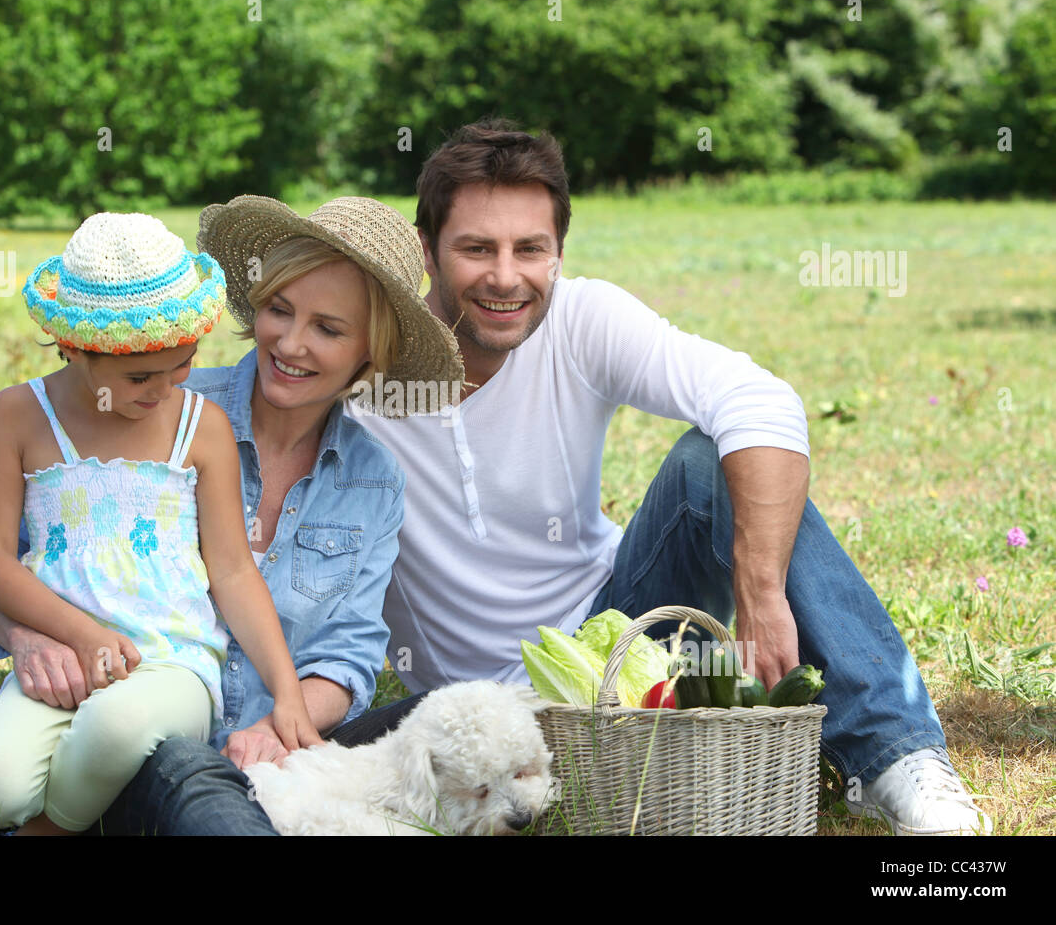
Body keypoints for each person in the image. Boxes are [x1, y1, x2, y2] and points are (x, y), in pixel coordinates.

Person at [349, 118, 992, 836]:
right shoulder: (358, 373)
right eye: (476, 248)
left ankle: (896, 757)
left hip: (625, 628)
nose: (506, 276)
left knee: (703, 463)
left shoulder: (579, 317)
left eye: (530, 248)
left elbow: (757, 398)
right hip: (480, 714)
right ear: (427, 250)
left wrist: (761, 592)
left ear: (558, 254)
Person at [0, 197, 464, 836]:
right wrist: (33, 635)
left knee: (450, 712)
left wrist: (279, 722)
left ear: (369, 355)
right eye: (279, 309)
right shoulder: (154, 398)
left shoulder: (370, 479)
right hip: (149, 744)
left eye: (328, 329)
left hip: (242, 729)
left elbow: (347, 649)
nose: (290, 343)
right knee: (192, 787)